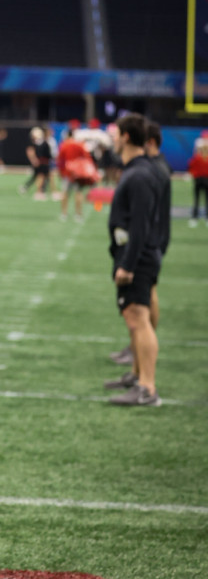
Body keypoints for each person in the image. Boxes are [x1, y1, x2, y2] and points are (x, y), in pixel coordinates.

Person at [104, 120, 171, 395]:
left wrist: (128, 265)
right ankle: (137, 375)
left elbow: (141, 226)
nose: (113, 139)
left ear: (126, 136)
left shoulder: (141, 174)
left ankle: (147, 387)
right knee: (134, 317)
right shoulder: (137, 170)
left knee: (138, 319)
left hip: (138, 259)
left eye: (116, 134)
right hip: (137, 255)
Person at [56, 127, 98, 221]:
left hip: (67, 173)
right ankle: (78, 214)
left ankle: (64, 214)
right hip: (78, 174)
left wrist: (61, 172)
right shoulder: (80, 145)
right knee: (78, 193)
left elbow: (60, 160)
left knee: (65, 193)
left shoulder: (64, 145)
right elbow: (87, 158)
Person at [19, 127, 51, 199]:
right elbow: (31, 151)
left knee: (40, 177)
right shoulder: (38, 143)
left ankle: (40, 190)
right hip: (41, 162)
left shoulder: (41, 142)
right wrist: (34, 160)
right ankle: (39, 191)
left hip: (42, 162)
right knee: (40, 177)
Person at [187, 137, 208, 226]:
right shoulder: (200, 158)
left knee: (197, 199)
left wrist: (193, 174)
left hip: (198, 181)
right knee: (206, 200)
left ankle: (194, 218)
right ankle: (205, 218)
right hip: (206, 181)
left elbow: (190, 166)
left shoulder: (197, 158)